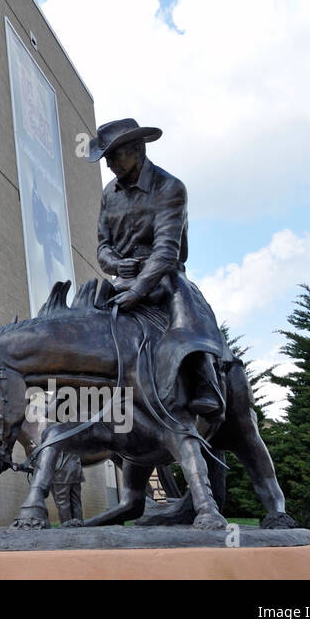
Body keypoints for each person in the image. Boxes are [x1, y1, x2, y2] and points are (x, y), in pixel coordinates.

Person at [87, 118, 230, 419]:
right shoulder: (109, 193)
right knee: (84, 316)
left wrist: (139, 290)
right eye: (106, 158)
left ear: (138, 149)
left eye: (114, 155)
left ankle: (205, 380)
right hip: (121, 279)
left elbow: (166, 250)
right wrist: (116, 264)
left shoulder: (170, 187)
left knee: (185, 313)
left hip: (163, 276)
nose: (109, 164)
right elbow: (103, 246)